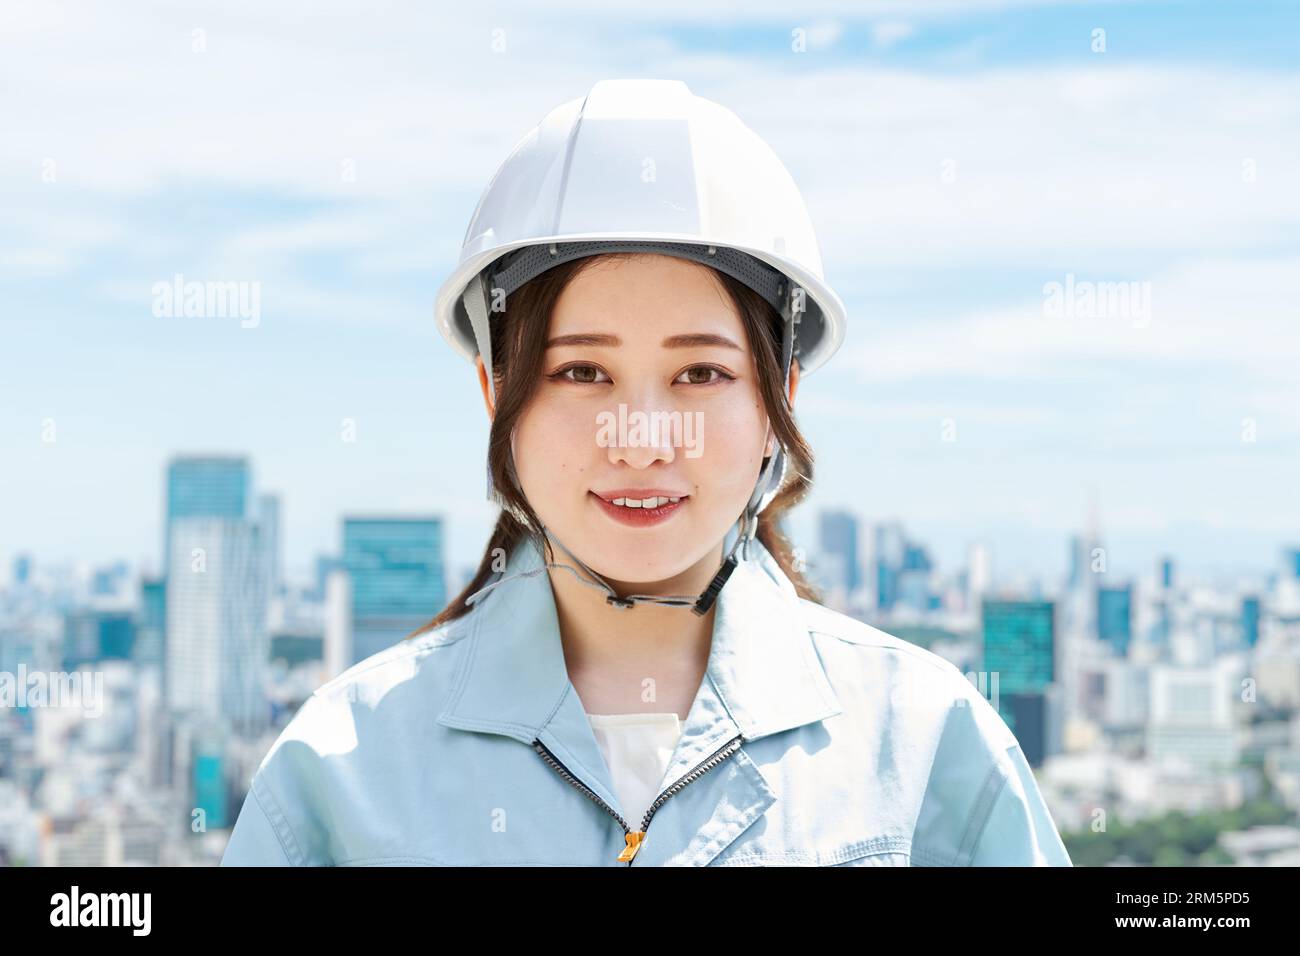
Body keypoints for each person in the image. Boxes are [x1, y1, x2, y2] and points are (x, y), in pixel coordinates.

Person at [220, 79, 1073, 867]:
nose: (641, 441)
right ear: (493, 387)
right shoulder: (344, 769)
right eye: (581, 373)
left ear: (782, 393)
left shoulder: (924, 746)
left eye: (701, 375)